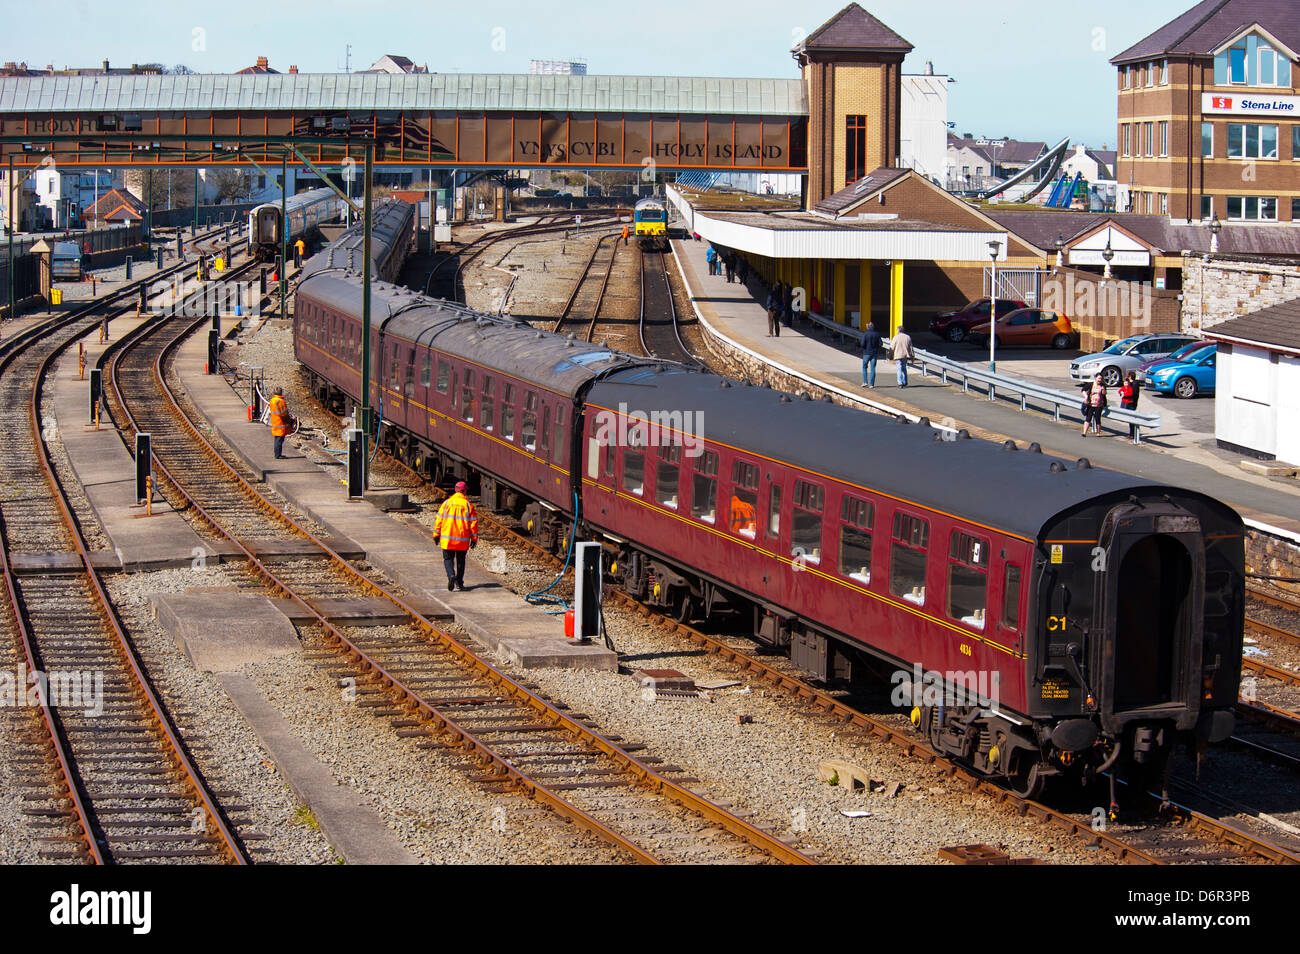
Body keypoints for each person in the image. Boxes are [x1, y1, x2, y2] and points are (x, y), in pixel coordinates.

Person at [435, 480, 479, 591]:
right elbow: (473, 523)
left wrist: (436, 534)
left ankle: (451, 576)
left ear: (455, 491)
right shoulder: (468, 505)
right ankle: (459, 583)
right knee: (461, 561)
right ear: (464, 492)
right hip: (462, 540)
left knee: (448, 559)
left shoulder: (446, 503)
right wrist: (474, 538)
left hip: (447, 539)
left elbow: (439, 520)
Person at [269, 386, 292, 459]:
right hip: (280, 424)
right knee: (279, 440)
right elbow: (284, 414)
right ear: (281, 392)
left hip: (275, 422)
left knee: (276, 439)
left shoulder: (272, 400)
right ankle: (278, 455)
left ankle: (277, 454)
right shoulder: (281, 401)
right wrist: (290, 421)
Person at [1119, 371, 1141, 442]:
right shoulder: (1131, 384)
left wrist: (1125, 395)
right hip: (1130, 403)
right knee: (1130, 419)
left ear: (1130, 377)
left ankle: (1132, 434)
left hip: (1132, 403)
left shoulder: (1134, 384)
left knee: (1132, 419)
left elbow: (1132, 394)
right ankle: (1132, 433)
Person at [862, 323, 883, 388]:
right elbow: (880, 344)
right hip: (874, 353)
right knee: (873, 368)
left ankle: (865, 382)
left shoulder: (865, 334)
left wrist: (864, 348)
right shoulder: (877, 334)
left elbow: (862, 344)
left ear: (867, 327)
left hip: (866, 353)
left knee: (864, 367)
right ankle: (871, 384)